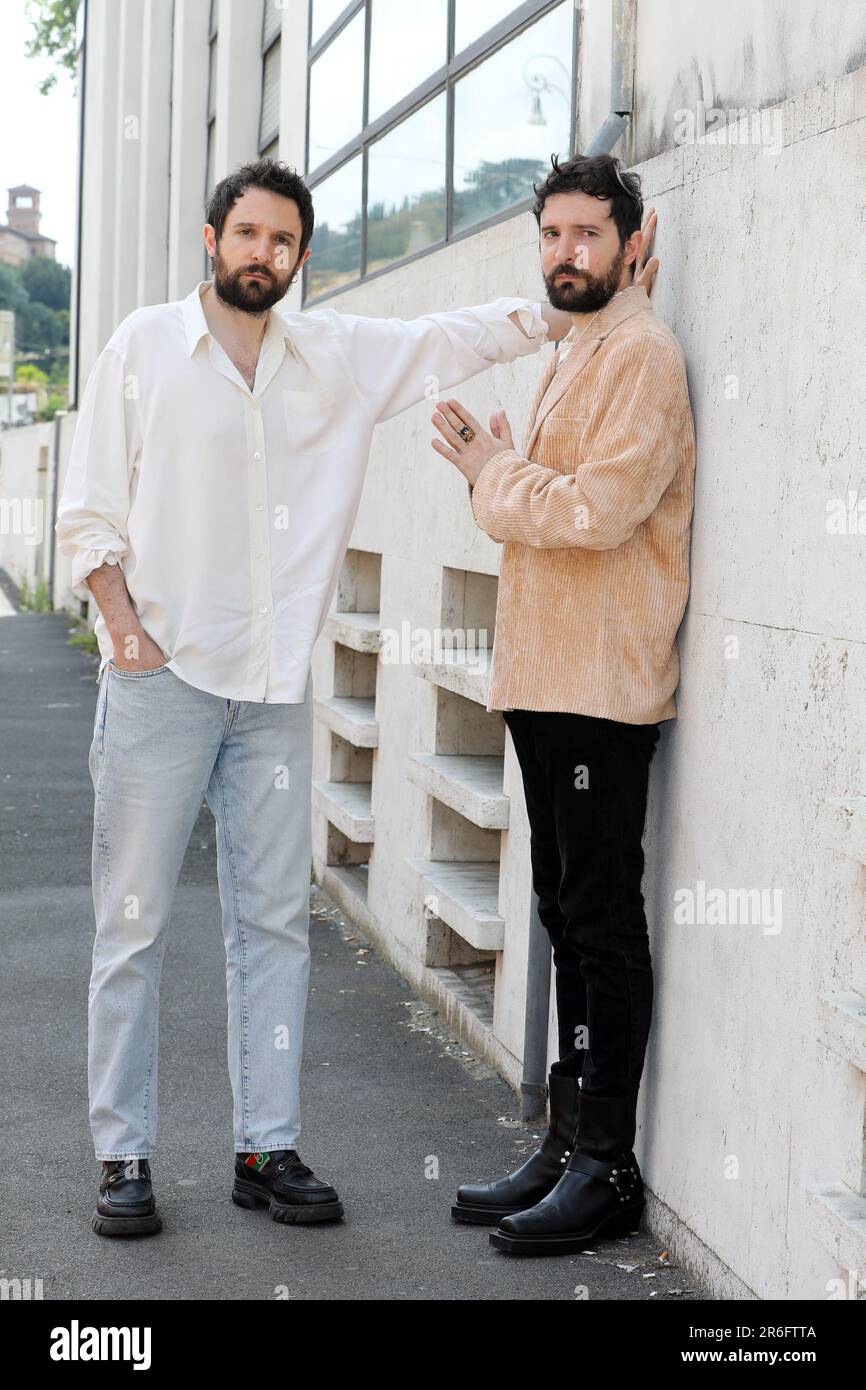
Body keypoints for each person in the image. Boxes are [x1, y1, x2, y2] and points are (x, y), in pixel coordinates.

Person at [57, 157, 660, 1237]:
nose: (264, 256)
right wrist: (127, 633)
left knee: (273, 925)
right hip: (162, 681)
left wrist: (571, 299)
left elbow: (445, 337)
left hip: (273, 690)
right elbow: (90, 511)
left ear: (299, 255)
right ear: (213, 239)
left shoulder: (330, 356)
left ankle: (266, 1146)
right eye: (247, 236)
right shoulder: (143, 347)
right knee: (134, 928)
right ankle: (125, 1155)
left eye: (283, 242)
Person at [434, 153, 696, 1256]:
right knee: (558, 914)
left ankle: (605, 1163)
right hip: (545, 677)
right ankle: (562, 1137)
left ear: (634, 244)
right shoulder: (570, 345)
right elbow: (546, 506)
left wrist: (492, 470)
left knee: (595, 920)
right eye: (550, 235)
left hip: (597, 685)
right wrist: (496, 468)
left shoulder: (640, 353)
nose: (564, 254)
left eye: (586, 235)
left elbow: (595, 510)